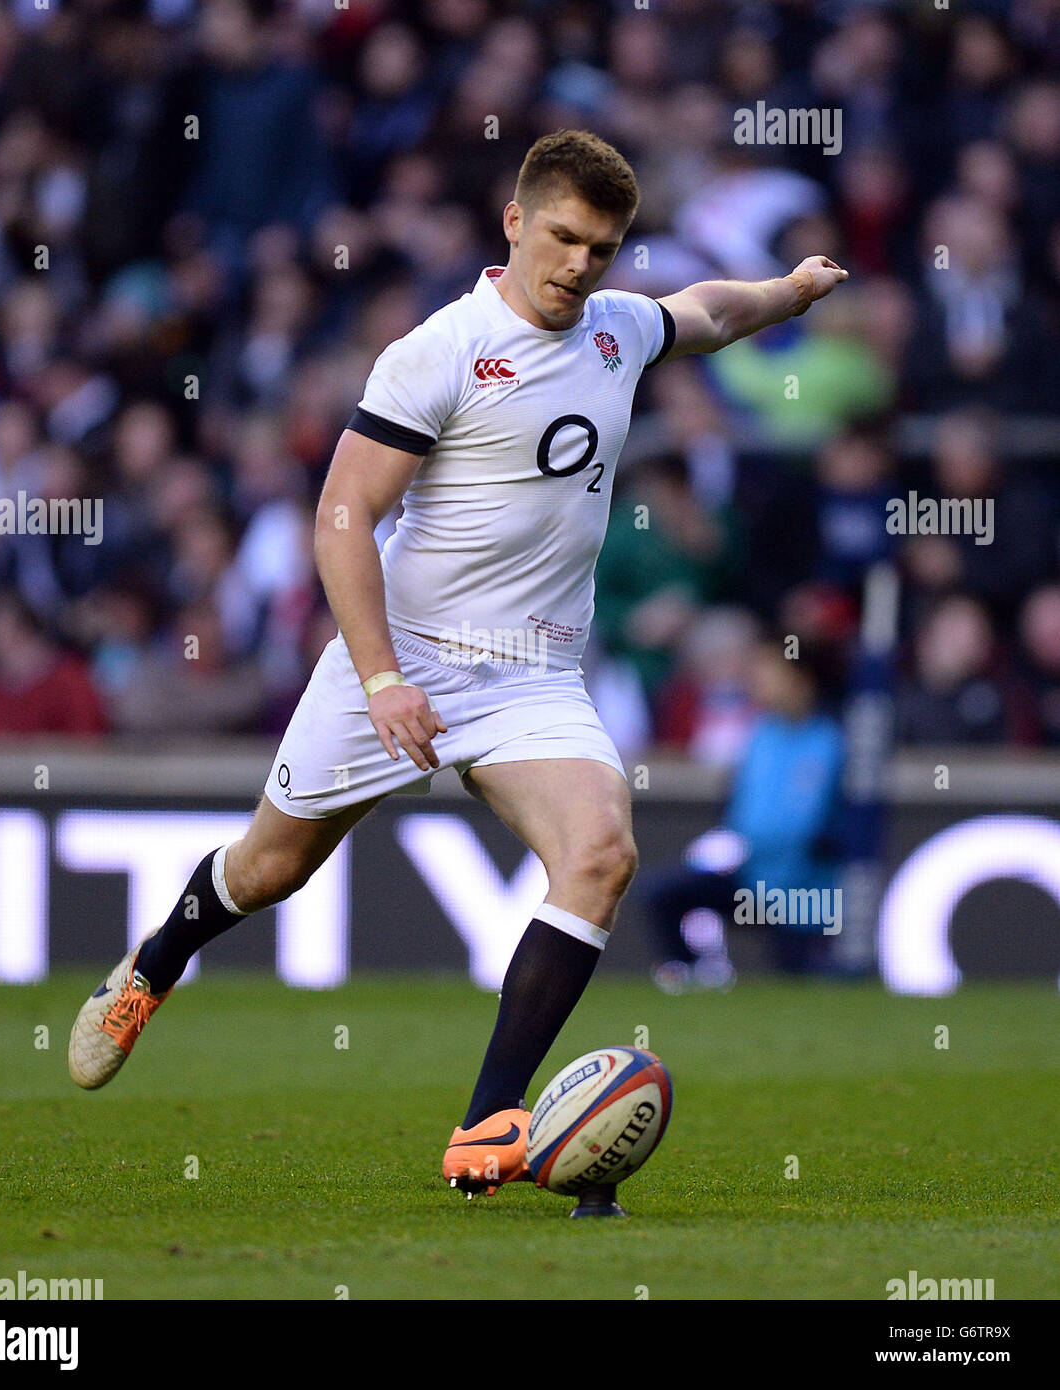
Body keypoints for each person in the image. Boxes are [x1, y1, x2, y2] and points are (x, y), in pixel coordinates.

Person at [68, 129, 848, 1198]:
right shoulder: (438, 350)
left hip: (532, 677)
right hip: (402, 657)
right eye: (564, 238)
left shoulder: (616, 330)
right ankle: (152, 965)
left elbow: (708, 312)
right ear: (513, 222)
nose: (580, 265)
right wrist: (384, 678)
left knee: (601, 851)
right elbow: (341, 517)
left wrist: (790, 290)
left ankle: (487, 1118)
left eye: (604, 248)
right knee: (269, 870)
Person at [642, 640, 847, 988]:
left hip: (803, 890)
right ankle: (691, 977)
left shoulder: (830, 740)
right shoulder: (760, 734)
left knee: (802, 986)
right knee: (661, 892)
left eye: (771, 673)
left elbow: (813, 827)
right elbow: (740, 810)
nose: (760, 681)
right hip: (750, 878)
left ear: (802, 679)